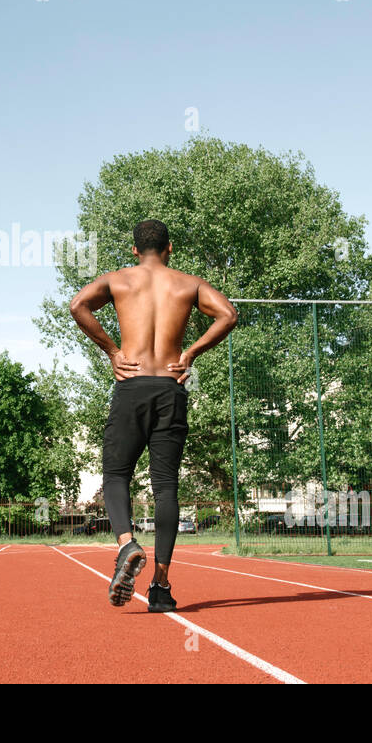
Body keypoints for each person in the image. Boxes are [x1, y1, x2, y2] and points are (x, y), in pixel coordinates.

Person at [69, 219, 238, 612]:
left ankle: (126, 542)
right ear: (169, 248)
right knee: (165, 486)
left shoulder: (118, 280)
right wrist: (190, 354)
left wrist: (112, 352)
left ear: (134, 250)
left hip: (131, 385)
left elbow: (78, 305)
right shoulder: (189, 284)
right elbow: (228, 314)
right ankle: (160, 587)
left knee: (116, 474)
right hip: (170, 387)